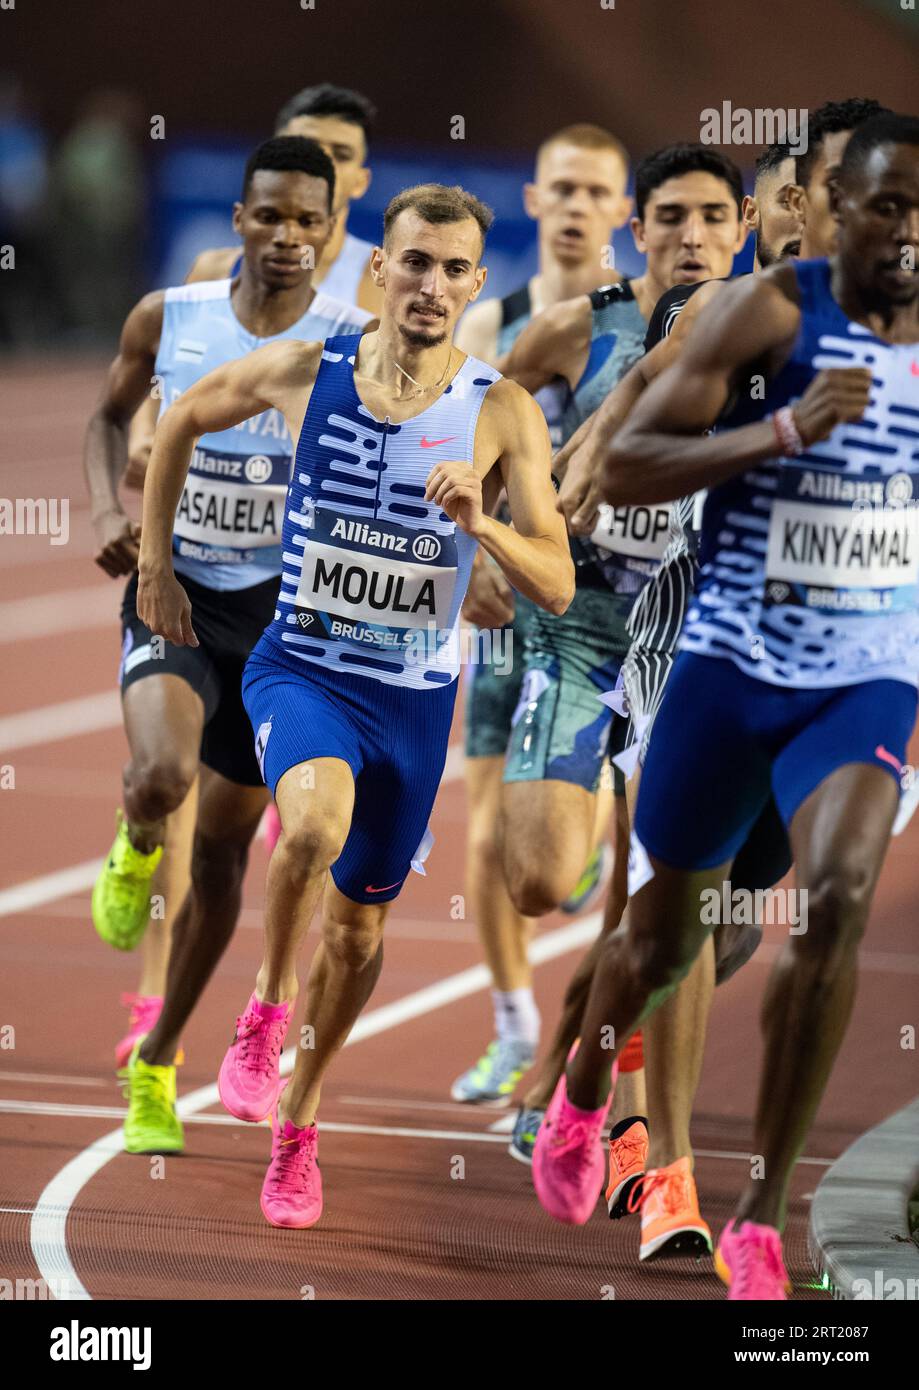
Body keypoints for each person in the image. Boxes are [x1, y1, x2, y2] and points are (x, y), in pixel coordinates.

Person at [136, 182, 575, 1229]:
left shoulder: (499, 407)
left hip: (412, 702)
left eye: (451, 269)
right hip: (303, 667)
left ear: (477, 284)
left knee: (361, 929)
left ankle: (302, 1116)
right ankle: (262, 1010)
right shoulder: (306, 367)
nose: (428, 285)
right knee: (310, 829)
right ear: (379, 269)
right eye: (411, 262)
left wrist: (487, 526)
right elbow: (183, 419)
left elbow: (553, 581)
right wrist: (158, 562)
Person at [533, 111, 919, 1302]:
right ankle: (588, 1086)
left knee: (839, 895)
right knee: (659, 936)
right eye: (881, 206)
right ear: (830, 210)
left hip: (863, 674)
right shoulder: (770, 316)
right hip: (731, 660)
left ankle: (758, 1207)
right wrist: (783, 428)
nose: (902, 230)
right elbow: (631, 460)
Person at [84, 136, 374, 1150]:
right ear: (239, 220)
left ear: (334, 232)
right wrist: (106, 516)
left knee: (220, 866)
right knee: (162, 774)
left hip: (279, 623)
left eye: (310, 221)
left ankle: (158, 1060)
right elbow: (107, 420)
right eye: (271, 216)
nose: (289, 237)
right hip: (177, 587)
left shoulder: (354, 339)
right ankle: (133, 834)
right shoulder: (174, 316)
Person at [496, 144, 748, 1175]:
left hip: (698, 632)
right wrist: (505, 525)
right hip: (587, 616)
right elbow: (490, 404)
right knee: (540, 879)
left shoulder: (767, 333)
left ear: (742, 228)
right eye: (671, 218)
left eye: (711, 219)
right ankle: (572, 1051)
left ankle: (585, 1083)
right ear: (636, 229)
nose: (691, 238)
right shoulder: (575, 326)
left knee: (684, 923)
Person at [450, 123, 633, 1107]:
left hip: (607, 614)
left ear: (620, 212)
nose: (571, 205)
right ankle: (514, 1023)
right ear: (531, 199)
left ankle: (587, 831)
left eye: (591, 190)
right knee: (485, 840)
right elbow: (459, 466)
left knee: (584, 853)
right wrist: (467, 565)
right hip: (508, 612)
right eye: (557, 187)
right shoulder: (491, 326)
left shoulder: (640, 324)